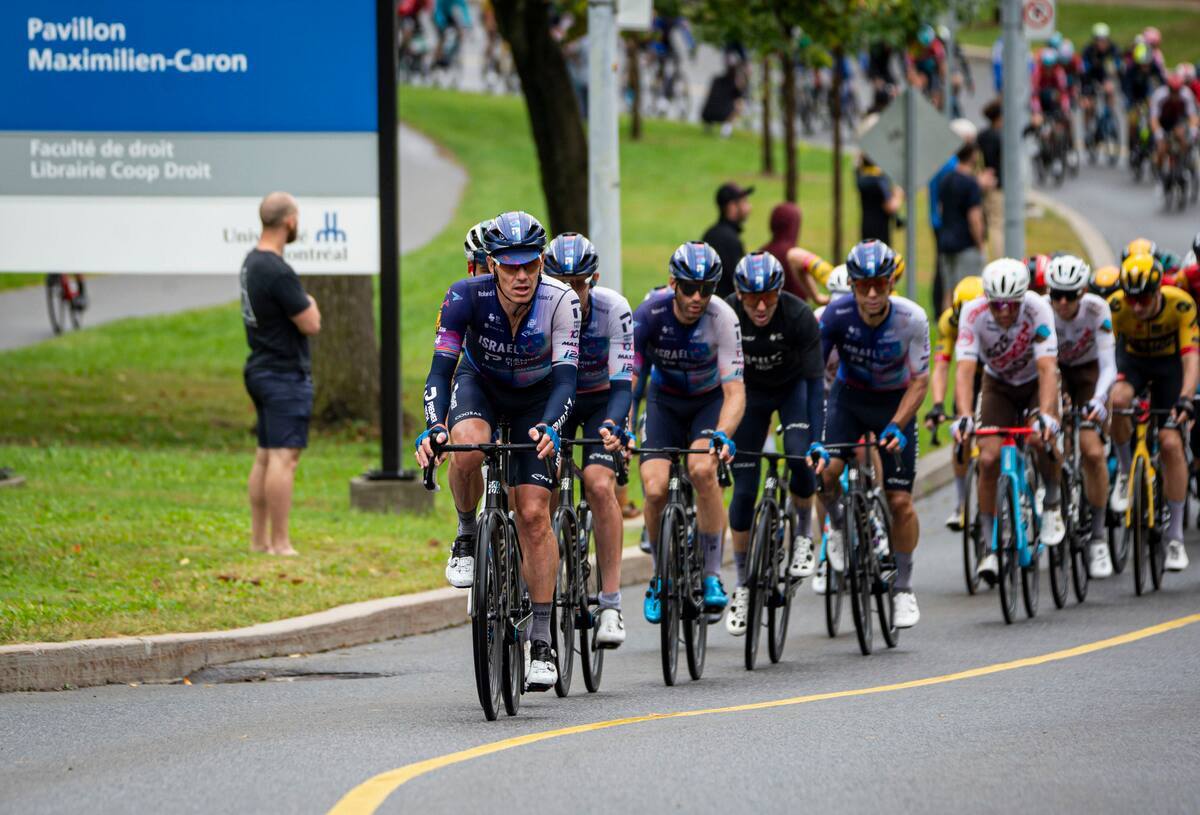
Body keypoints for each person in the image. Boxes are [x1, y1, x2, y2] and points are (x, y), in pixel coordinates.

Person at [414, 210, 581, 691]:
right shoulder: (464, 296)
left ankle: (543, 638)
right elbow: (440, 372)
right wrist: (433, 427)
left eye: (530, 264)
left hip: (537, 398)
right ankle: (467, 533)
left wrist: (553, 424)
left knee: (532, 513)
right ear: (491, 264)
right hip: (479, 386)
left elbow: (567, 378)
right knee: (464, 448)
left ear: (542, 262)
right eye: (510, 266)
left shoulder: (560, 300)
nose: (522, 275)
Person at [809, 240, 930, 629]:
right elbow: (814, 375)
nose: (873, 294)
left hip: (894, 404)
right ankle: (841, 527)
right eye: (864, 286)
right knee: (825, 473)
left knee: (900, 502)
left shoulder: (912, 318)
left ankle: (905, 588)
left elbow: (920, 381)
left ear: (892, 283)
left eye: (881, 284)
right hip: (848, 399)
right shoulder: (836, 314)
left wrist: (897, 424)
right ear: (855, 285)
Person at [635, 242, 744, 622]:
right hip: (663, 404)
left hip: (705, 404)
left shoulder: (723, 318)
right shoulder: (649, 312)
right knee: (654, 487)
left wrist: (723, 434)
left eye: (707, 289)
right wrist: (623, 424)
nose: (698, 297)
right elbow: (632, 378)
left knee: (702, 470)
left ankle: (712, 573)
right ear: (672, 283)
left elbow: (734, 391)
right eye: (688, 288)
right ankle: (660, 578)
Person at [723, 252, 824, 635]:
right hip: (748, 396)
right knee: (744, 492)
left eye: (769, 296)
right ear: (738, 293)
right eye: (752, 297)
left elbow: (816, 385)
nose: (761, 305)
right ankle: (744, 585)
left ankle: (802, 535)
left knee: (799, 455)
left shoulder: (798, 316)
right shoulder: (728, 313)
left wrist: (817, 440)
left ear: (780, 291)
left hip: (792, 391)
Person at [542, 232, 634, 648]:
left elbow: (622, 384)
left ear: (593, 278)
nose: (571, 291)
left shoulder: (614, 310)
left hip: (600, 401)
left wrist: (616, 424)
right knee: (537, 490)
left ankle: (611, 602)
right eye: (560, 281)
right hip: (550, 399)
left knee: (599, 483)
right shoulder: (538, 309)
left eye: (578, 282)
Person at [952, 258, 1063, 585]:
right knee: (987, 459)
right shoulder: (972, 313)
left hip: (1033, 382)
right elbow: (965, 370)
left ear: (1023, 296)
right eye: (997, 304)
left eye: (1011, 304)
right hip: (997, 383)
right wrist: (964, 417)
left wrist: (1045, 415)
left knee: (1039, 438)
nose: (1003, 311)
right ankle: (989, 545)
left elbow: (1047, 369)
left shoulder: (1038, 309)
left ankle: (1053, 502)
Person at [241, 192, 321, 557]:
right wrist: (312, 303)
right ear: (289, 221)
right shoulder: (276, 269)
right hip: (283, 373)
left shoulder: (251, 262)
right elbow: (311, 322)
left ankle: (259, 540)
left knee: (264, 455)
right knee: (283, 459)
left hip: (260, 366)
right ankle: (280, 543)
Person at [1108, 253, 1198, 573]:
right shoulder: (1117, 307)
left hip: (1169, 370)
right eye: (1131, 298)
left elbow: (1191, 358)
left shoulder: (1181, 305)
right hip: (1133, 365)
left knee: (1171, 443)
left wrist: (1186, 398)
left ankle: (1174, 535)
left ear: (1159, 290)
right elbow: (1107, 354)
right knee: (1117, 401)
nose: (1136, 306)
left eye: (1143, 298)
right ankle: (1122, 472)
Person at [1045, 255, 1118, 578]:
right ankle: (1055, 494)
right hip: (1057, 372)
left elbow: (1108, 365)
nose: (1062, 302)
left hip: (1089, 373)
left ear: (1083, 291)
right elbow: (1042, 366)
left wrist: (1100, 400)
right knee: (1049, 440)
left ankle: (1099, 536)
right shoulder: (1044, 311)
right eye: (1056, 294)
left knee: (1091, 449)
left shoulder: (1096, 309)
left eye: (1070, 295)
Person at [924, 275, 983, 530]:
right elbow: (941, 365)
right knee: (962, 436)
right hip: (969, 377)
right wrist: (937, 404)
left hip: (997, 375)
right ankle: (961, 504)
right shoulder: (949, 322)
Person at [937, 142, 986, 312]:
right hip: (966, 244)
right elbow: (975, 218)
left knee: (948, 292)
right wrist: (980, 244)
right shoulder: (971, 184)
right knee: (967, 293)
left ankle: (945, 330)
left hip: (945, 242)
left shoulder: (945, 180)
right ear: (972, 156)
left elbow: (940, 209)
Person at [702, 182, 754, 299]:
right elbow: (739, 281)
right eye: (744, 202)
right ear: (732, 206)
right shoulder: (729, 240)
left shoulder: (710, 234)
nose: (749, 207)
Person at [1149, 72, 1199, 175]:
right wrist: (1158, 132)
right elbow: (1153, 118)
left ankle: (1182, 164)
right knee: (1162, 149)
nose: (1175, 94)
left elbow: (1193, 116)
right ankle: (1159, 171)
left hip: (1177, 121)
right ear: (1168, 88)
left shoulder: (1186, 94)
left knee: (1183, 138)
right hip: (1162, 122)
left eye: (1177, 91)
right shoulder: (1159, 95)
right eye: (1173, 91)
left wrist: (1193, 129)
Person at [976, 100, 1005, 260]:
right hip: (997, 185)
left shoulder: (982, 135)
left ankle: (983, 257)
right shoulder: (1000, 137)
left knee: (985, 224)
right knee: (997, 225)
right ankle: (999, 259)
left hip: (984, 183)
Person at [857, 153, 904, 245]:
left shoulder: (862, 178)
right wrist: (899, 196)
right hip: (880, 231)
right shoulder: (879, 180)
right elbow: (890, 206)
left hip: (866, 229)